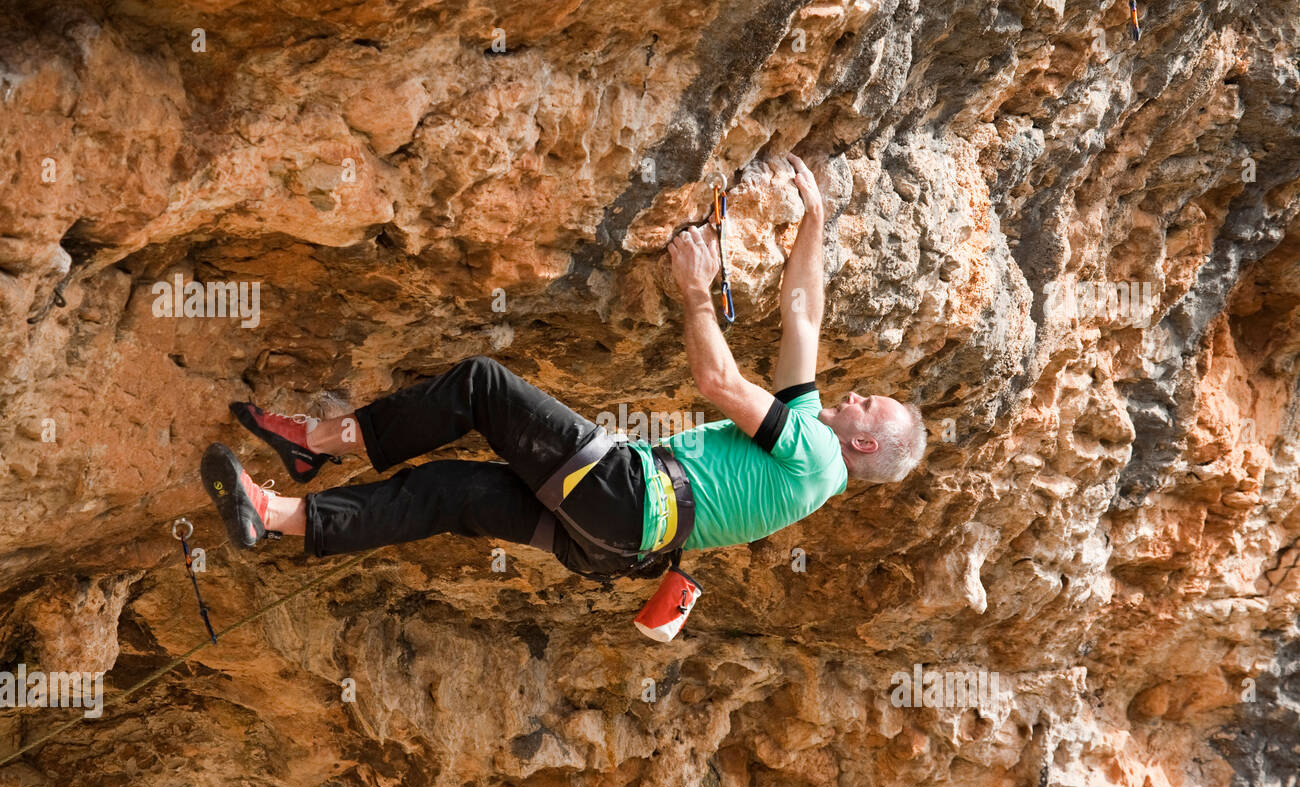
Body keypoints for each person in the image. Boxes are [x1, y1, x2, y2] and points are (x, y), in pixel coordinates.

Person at [200, 155, 926, 581]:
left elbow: (721, 385)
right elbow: (805, 316)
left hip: (630, 496)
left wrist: (696, 291)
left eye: (871, 405)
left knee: (481, 386)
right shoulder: (810, 445)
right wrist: (814, 225)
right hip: (614, 545)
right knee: (445, 494)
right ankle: (271, 516)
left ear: (864, 443)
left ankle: (313, 444)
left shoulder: (818, 453)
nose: (857, 394)